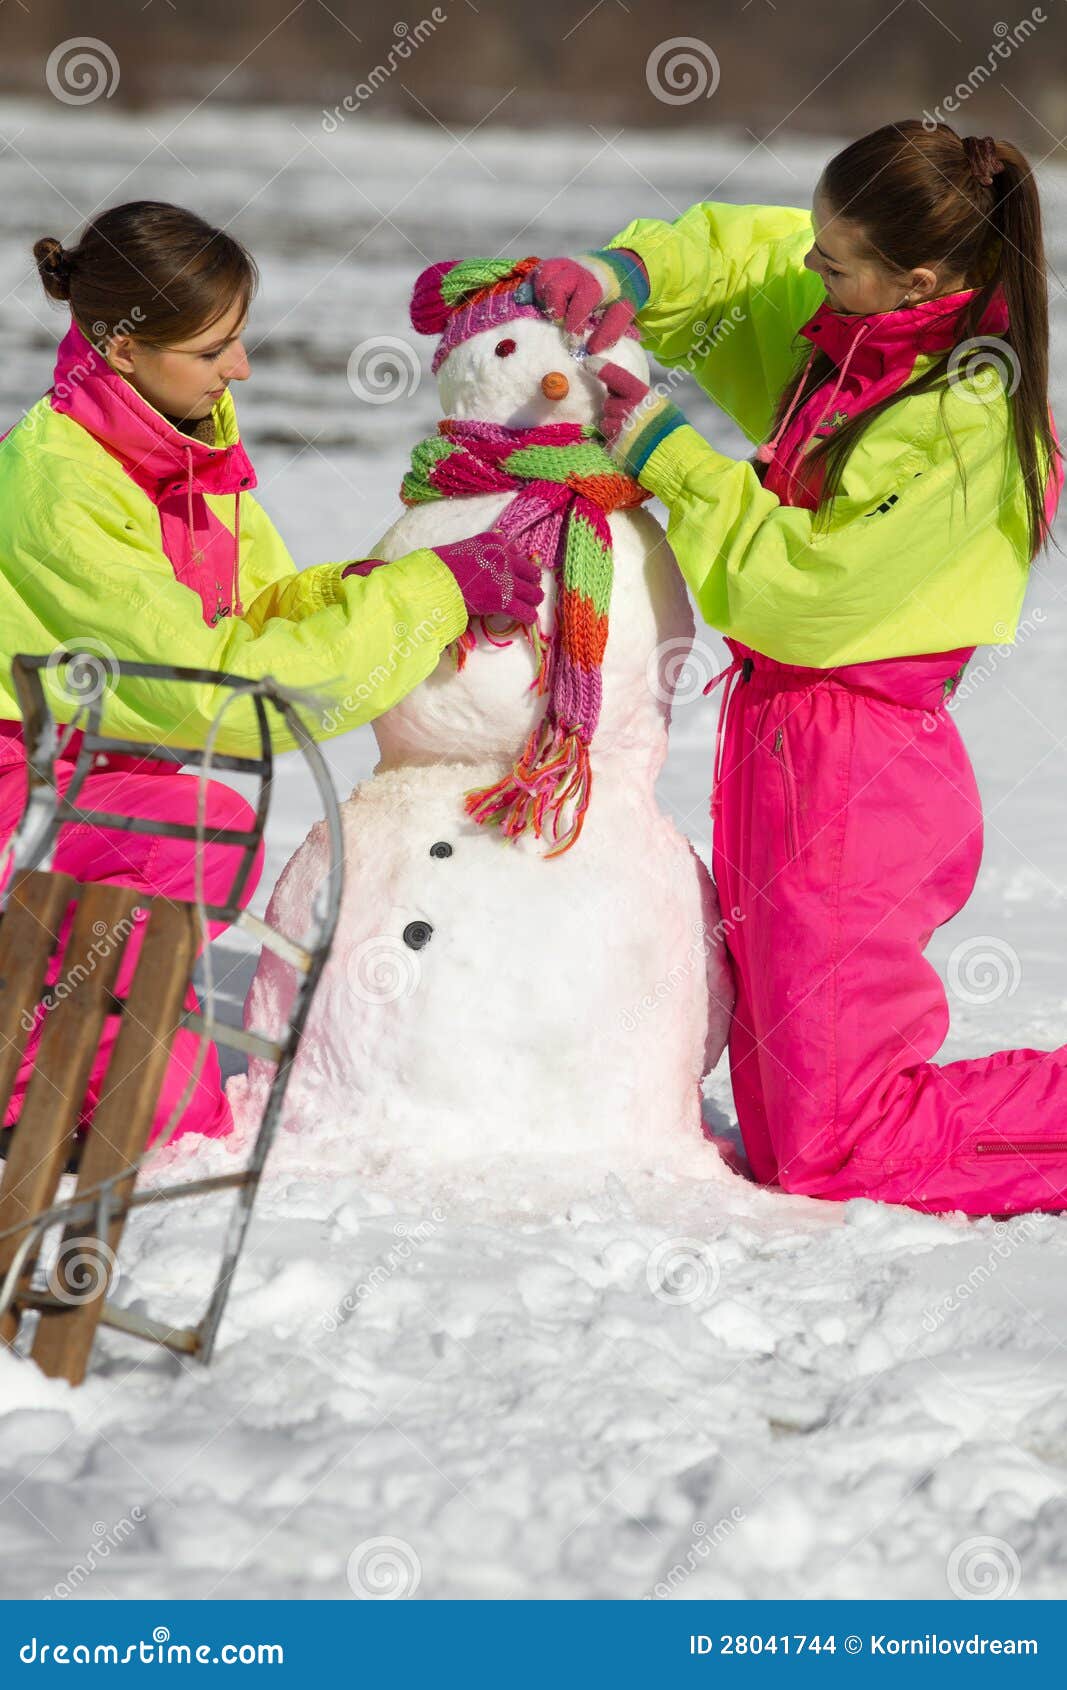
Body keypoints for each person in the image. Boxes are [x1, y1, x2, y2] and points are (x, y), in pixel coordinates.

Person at [533, 120, 1066, 1218]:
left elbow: (807, 596)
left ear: (912, 279)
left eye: (835, 262)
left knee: (841, 1150)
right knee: (793, 1147)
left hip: (857, 769)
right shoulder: (854, 330)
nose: (809, 274)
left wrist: (663, 454)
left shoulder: (961, 419)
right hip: (775, 748)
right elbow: (746, 258)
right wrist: (624, 274)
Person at [0, 199, 542, 1152]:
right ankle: (21, 1060)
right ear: (122, 350)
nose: (239, 369)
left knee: (178, 1128)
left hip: (97, 766)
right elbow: (211, 684)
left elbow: (251, 611)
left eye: (240, 342)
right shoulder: (55, 482)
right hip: (27, 778)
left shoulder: (185, 448)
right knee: (194, 828)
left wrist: (367, 587)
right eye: (214, 351)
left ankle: (64, 1060)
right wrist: (427, 597)